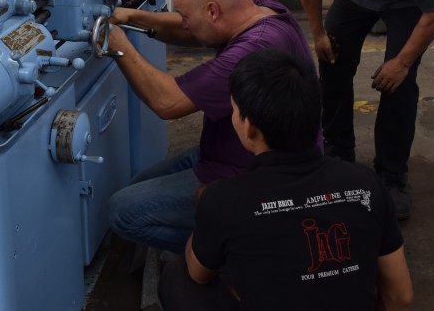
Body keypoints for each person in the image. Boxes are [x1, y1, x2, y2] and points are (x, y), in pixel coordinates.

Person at [159, 50, 413, 311]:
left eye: (234, 110)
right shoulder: (366, 184)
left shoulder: (223, 198)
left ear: (249, 127)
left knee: (176, 276)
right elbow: (400, 296)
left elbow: (198, 273)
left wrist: (205, 215)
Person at [106, 0, 314, 254]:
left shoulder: (253, 50)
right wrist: (132, 16)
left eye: (185, 15)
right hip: (227, 149)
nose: (184, 22)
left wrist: (116, 42)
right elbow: (192, 29)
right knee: (136, 185)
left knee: (122, 212)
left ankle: (245, 249)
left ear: (212, 11)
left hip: (255, 172)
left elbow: (167, 102)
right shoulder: (256, 5)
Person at [295, 0, 434, 220]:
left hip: (406, 3)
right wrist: (318, 33)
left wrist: (402, 63)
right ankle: (337, 153)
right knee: (332, 62)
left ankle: (392, 174)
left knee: (399, 84)